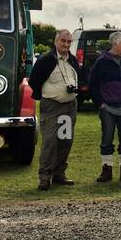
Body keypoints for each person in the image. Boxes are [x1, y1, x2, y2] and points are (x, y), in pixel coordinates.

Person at [28, 28, 80, 191]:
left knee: (65, 141)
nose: (66, 44)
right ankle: (44, 177)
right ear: (56, 42)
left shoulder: (72, 60)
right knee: (50, 142)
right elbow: (33, 81)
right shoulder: (46, 60)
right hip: (52, 107)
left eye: (68, 41)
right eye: (63, 41)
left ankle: (59, 174)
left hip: (69, 107)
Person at [89, 31, 121, 183]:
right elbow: (92, 84)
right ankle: (106, 169)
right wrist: (100, 103)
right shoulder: (101, 62)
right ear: (115, 44)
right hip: (108, 108)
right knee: (107, 139)